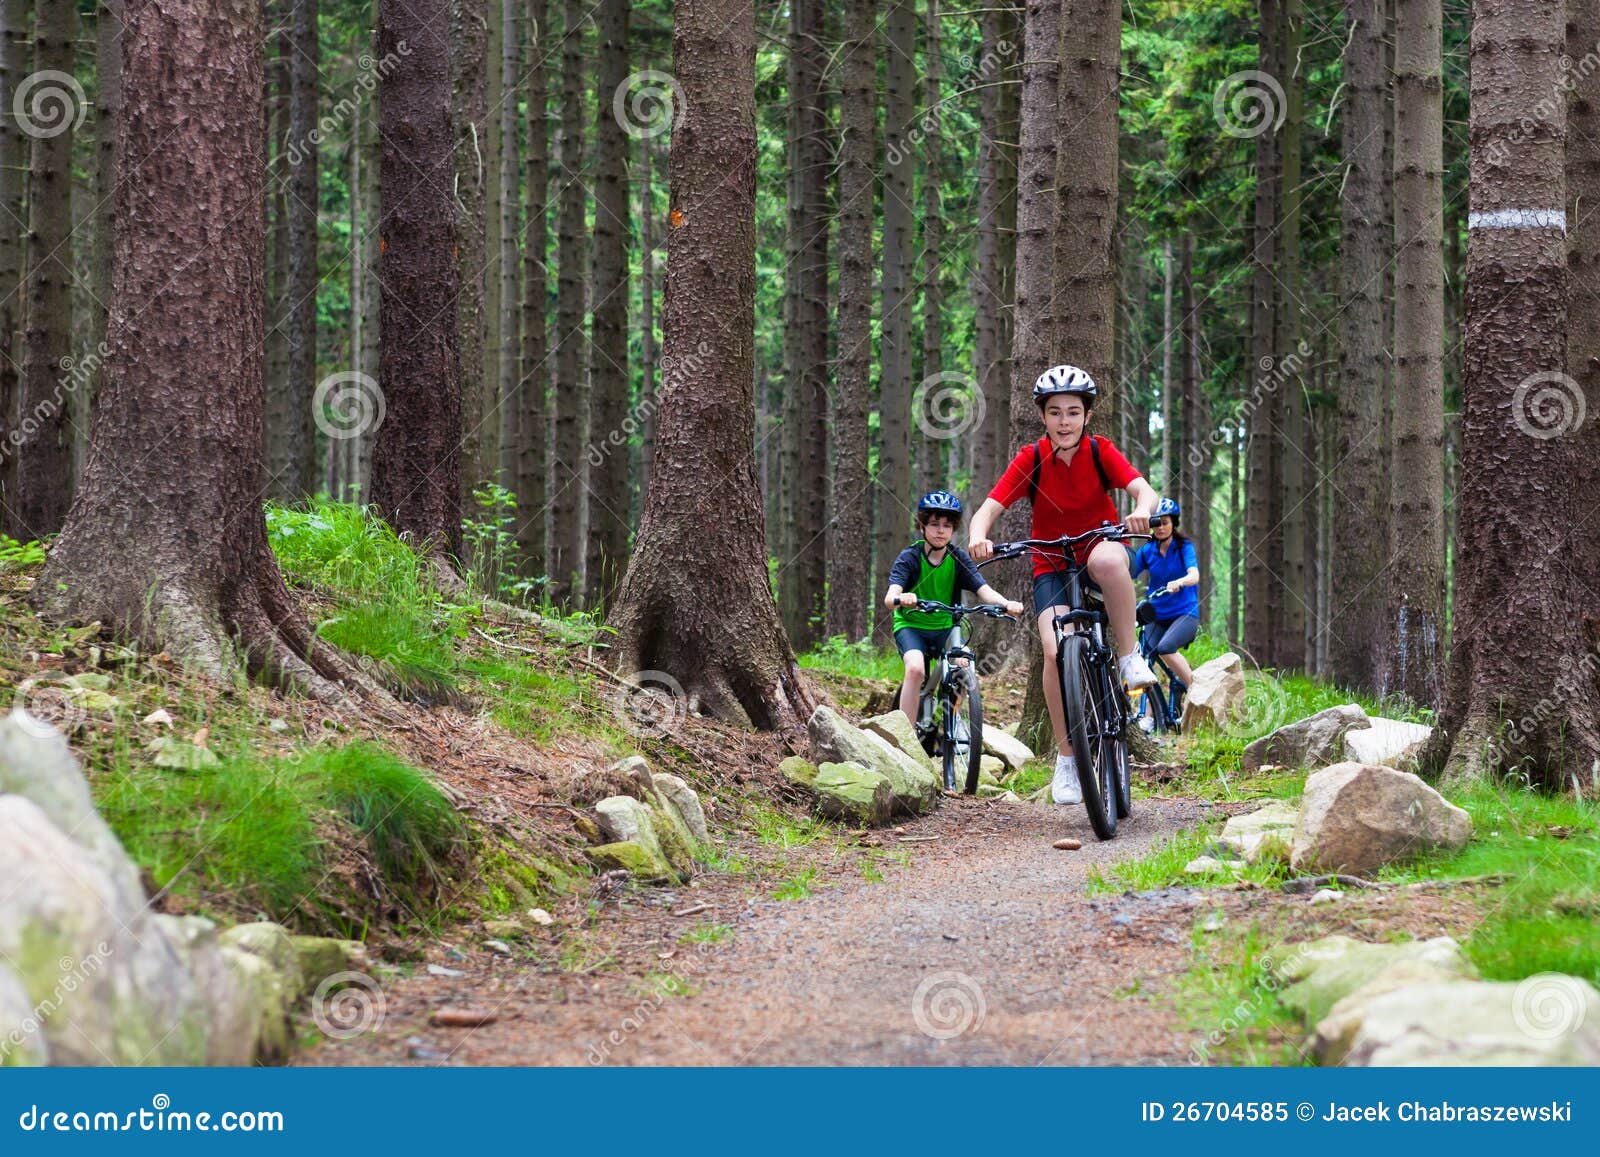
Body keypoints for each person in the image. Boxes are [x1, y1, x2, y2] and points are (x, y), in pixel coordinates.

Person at [966, 365, 1160, 806]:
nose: (1065, 421)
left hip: (1100, 550)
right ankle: (1068, 759)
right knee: (1055, 652)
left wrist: (1141, 511)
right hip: (1051, 564)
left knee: (1107, 558)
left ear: (1087, 416)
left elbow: (1143, 490)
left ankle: (1129, 657)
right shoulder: (1032, 458)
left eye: (1073, 412)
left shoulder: (1099, 451)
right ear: (1043, 416)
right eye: (1055, 412)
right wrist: (978, 536)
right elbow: (988, 508)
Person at [883, 491, 1024, 727]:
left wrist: (1006, 604)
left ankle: (950, 720)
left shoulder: (958, 558)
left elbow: (984, 590)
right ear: (922, 527)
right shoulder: (910, 557)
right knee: (916, 669)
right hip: (911, 627)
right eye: (934, 524)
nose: (941, 530)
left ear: (953, 529)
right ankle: (904, 736)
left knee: (963, 665)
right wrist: (902, 597)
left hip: (945, 628)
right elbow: (890, 598)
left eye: (947, 526)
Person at [1131, 497, 1200, 688]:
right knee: (1143, 657)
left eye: (1165, 522)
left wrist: (1180, 582)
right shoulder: (1147, 550)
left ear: (1173, 523)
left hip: (1184, 614)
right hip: (1156, 616)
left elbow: (1194, 575)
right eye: (1157, 523)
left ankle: (1198, 691)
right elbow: (1129, 573)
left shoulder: (1184, 547)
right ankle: (1152, 707)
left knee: (1166, 648)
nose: (1160, 527)